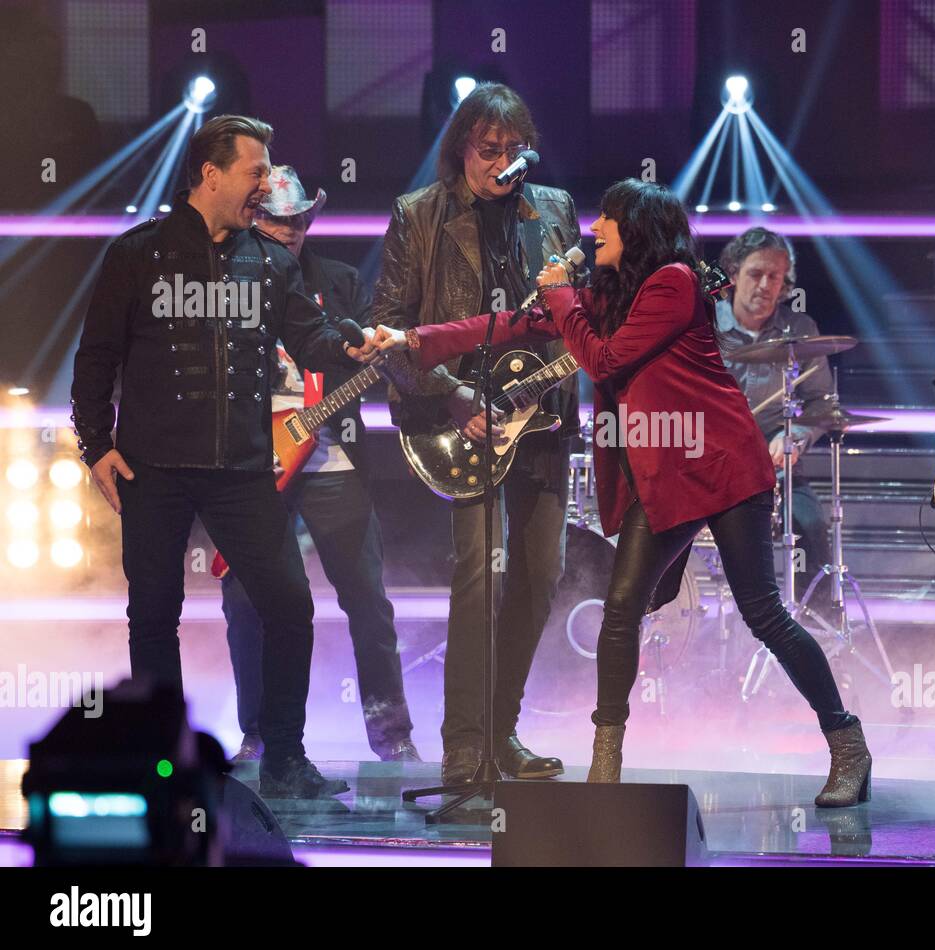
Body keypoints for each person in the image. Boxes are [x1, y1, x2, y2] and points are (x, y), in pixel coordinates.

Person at [367, 178, 872, 807]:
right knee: (622, 607)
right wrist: (413, 340)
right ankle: (606, 764)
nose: (593, 230)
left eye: (605, 220)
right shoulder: (603, 295)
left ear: (635, 229)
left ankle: (848, 743)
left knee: (763, 612)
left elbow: (604, 361)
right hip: (663, 477)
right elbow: (501, 323)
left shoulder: (675, 283)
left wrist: (560, 297)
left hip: (720, 467)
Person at [70, 115, 371, 798]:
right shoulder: (137, 255)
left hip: (241, 470)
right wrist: (97, 447)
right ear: (212, 175)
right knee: (153, 615)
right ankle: (165, 764)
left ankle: (284, 758)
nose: (264, 184)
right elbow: (95, 359)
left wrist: (356, 342)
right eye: (254, 171)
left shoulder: (269, 261)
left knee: (290, 607)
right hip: (155, 468)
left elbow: (314, 338)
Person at [370, 83, 580, 784]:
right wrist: (456, 396)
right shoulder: (420, 216)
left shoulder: (550, 213)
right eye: (489, 150)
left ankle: (501, 730)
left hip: (541, 420)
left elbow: (575, 319)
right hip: (461, 426)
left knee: (539, 578)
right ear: (462, 146)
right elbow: (392, 336)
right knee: (479, 578)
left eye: (514, 150)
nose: (502, 163)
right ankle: (464, 747)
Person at [220, 165, 419, 763]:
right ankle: (259, 737)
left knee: (367, 599)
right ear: (254, 219)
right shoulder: (227, 281)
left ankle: (393, 738)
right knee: (244, 601)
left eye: (299, 219)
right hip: (254, 463)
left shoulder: (337, 281)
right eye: (277, 218)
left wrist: (390, 357)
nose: (290, 230)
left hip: (331, 459)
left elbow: (364, 358)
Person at [715, 227, 834, 617]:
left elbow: (823, 402)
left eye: (775, 277)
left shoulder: (799, 331)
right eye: (755, 274)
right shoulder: (702, 324)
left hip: (773, 464)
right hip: (708, 459)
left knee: (812, 523)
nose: (765, 285)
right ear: (733, 274)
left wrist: (795, 436)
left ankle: (816, 627)